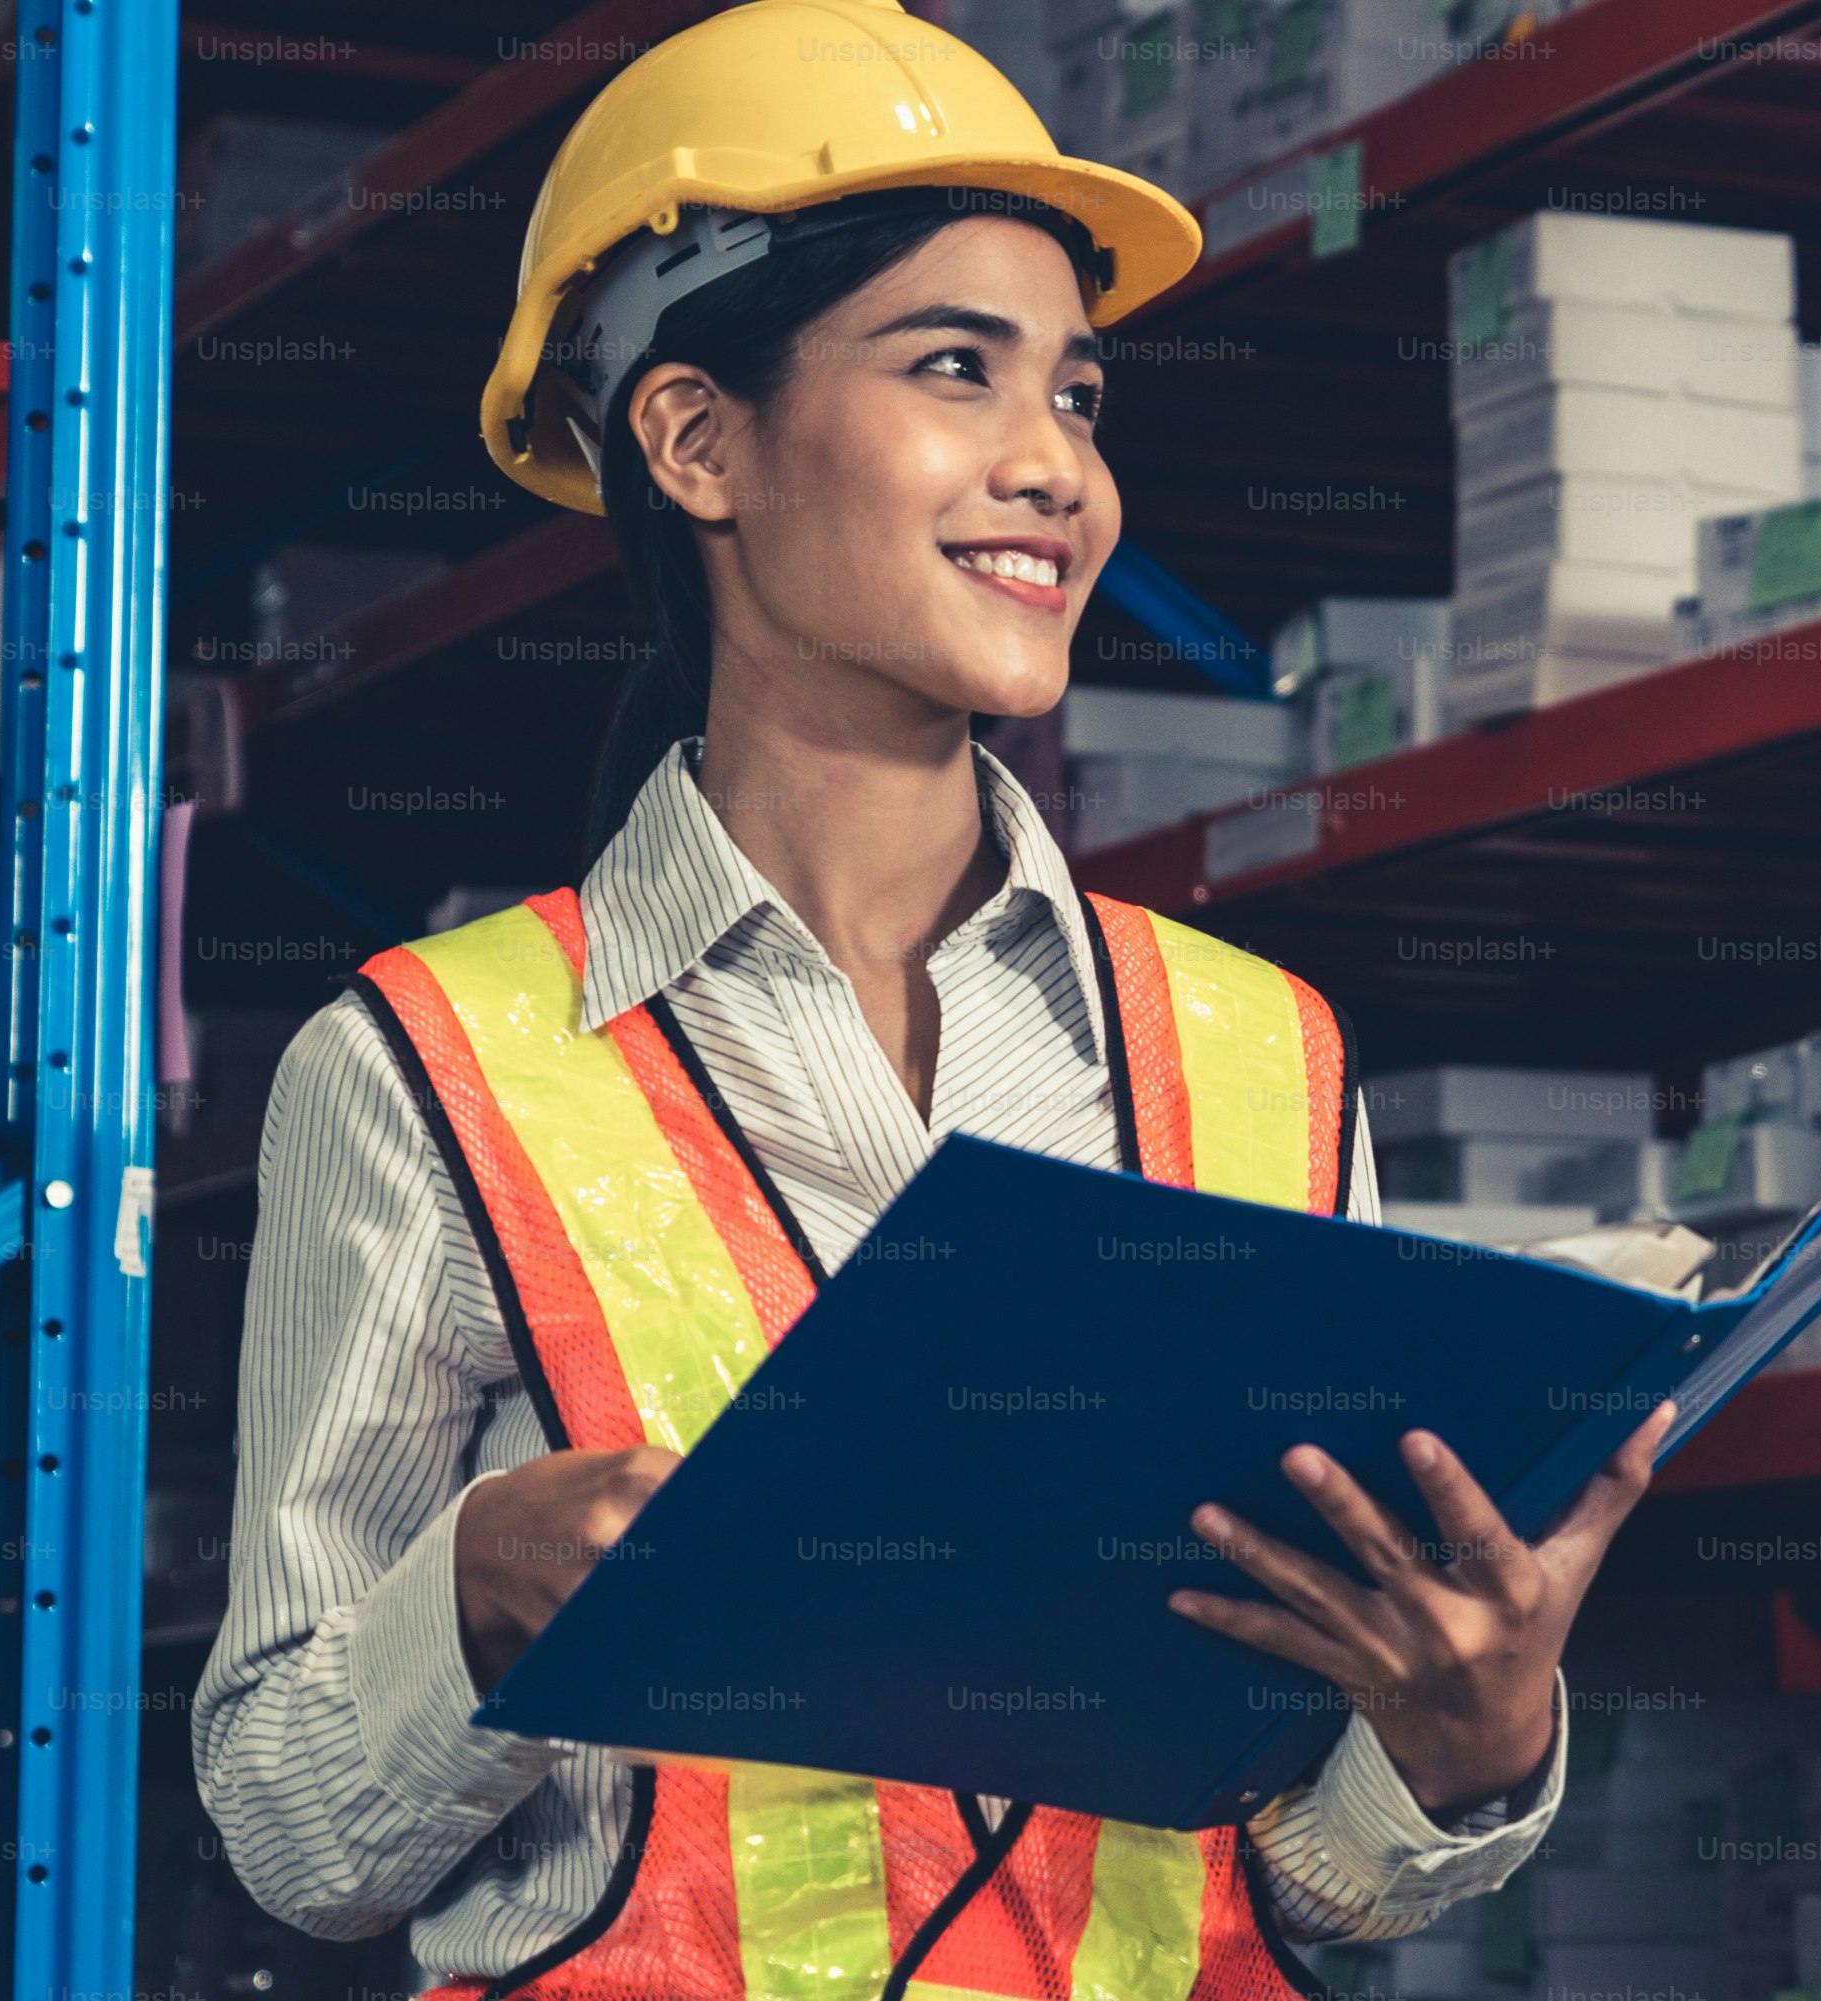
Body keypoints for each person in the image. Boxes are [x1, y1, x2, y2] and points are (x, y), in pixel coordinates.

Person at [192, 4, 1673, 1997]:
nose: (1052, 467)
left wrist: (1464, 1742)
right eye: (955, 370)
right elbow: (290, 1831)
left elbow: (1295, 1869)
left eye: (1078, 394)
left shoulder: (1262, 1054)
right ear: (696, 438)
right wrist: (472, 1597)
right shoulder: (426, 1064)